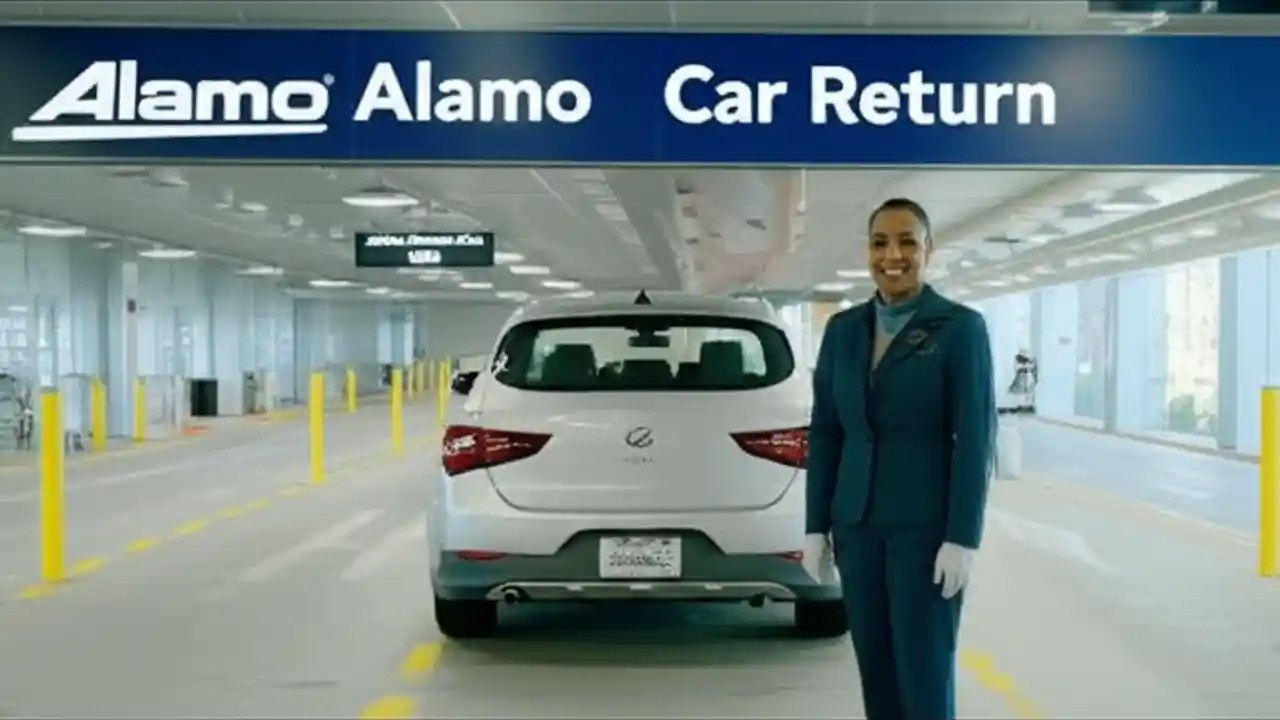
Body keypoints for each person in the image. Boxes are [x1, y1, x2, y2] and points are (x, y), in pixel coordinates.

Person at [802, 197, 996, 720]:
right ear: (868, 251)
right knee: (877, 675)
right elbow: (826, 432)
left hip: (924, 532)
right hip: (856, 528)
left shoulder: (959, 328)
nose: (894, 254)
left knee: (925, 674)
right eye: (881, 242)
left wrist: (962, 537)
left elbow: (976, 439)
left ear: (928, 249)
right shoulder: (843, 332)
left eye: (907, 241)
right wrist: (816, 525)